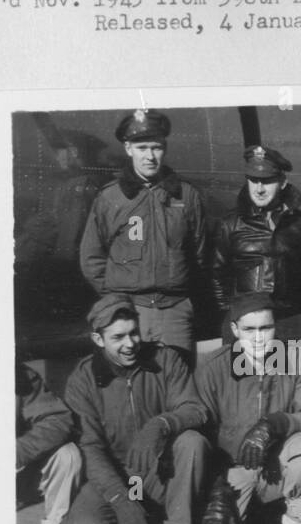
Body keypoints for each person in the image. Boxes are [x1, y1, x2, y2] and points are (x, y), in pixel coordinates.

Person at [61, 294, 211, 524]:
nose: (130, 344)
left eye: (134, 333)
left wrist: (161, 424)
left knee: (193, 441)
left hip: (158, 471)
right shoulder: (83, 379)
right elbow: (89, 447)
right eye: (118, 337)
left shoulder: (165, 360)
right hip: (118, 476)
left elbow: (195, 409)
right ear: (98, 339)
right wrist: (122, 499)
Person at [193, 293, 301, 524]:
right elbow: (201, 432)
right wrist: (217, 489)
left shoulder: (295, 359)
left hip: (279, 463)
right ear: (234, 330)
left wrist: (274, 424)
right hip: (233, 471)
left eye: (265, 328)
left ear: (275, 328)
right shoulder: (212, 367)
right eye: (249, 330)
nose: (258, 338)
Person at [79, 110, 206, 353]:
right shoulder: (110, 198)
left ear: (165, 148)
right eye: (142, 148)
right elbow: (91, 258)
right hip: (128, 311)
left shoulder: (187, 195)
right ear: (128, 149)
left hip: (175, 311)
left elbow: (199, 254)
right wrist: (116, 300)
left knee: (178, 380)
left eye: (156, 147)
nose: (150, 156)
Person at [209, 146, 301, 343]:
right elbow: (218, 274)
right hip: (247, 323)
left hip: (290, 322)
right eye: (254, 180)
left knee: (292, 373)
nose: (259, 188)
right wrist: (231, 315)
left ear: (282, 182)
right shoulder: (230, 223)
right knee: (244, 373)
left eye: (267, 181)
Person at [16, 362, 83, 524]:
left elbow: (59, 419)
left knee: (68, 454)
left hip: (11, 472)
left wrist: (16, 451)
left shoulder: (17, 372)